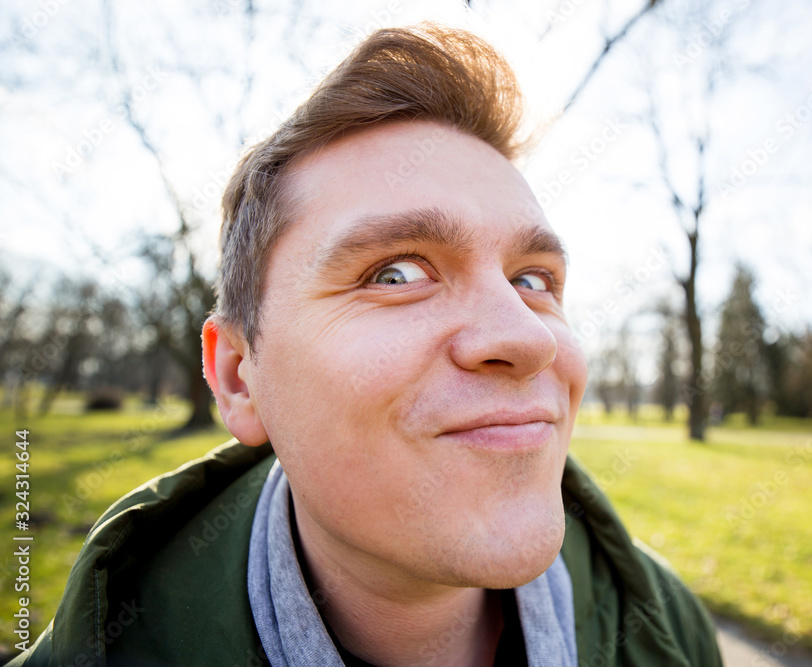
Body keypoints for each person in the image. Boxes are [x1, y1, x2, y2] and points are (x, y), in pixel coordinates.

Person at [12, 24, 722, 667]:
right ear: (237, 377)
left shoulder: (670, 630)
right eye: (395, 272)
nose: (527, 336)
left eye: (532, 278)